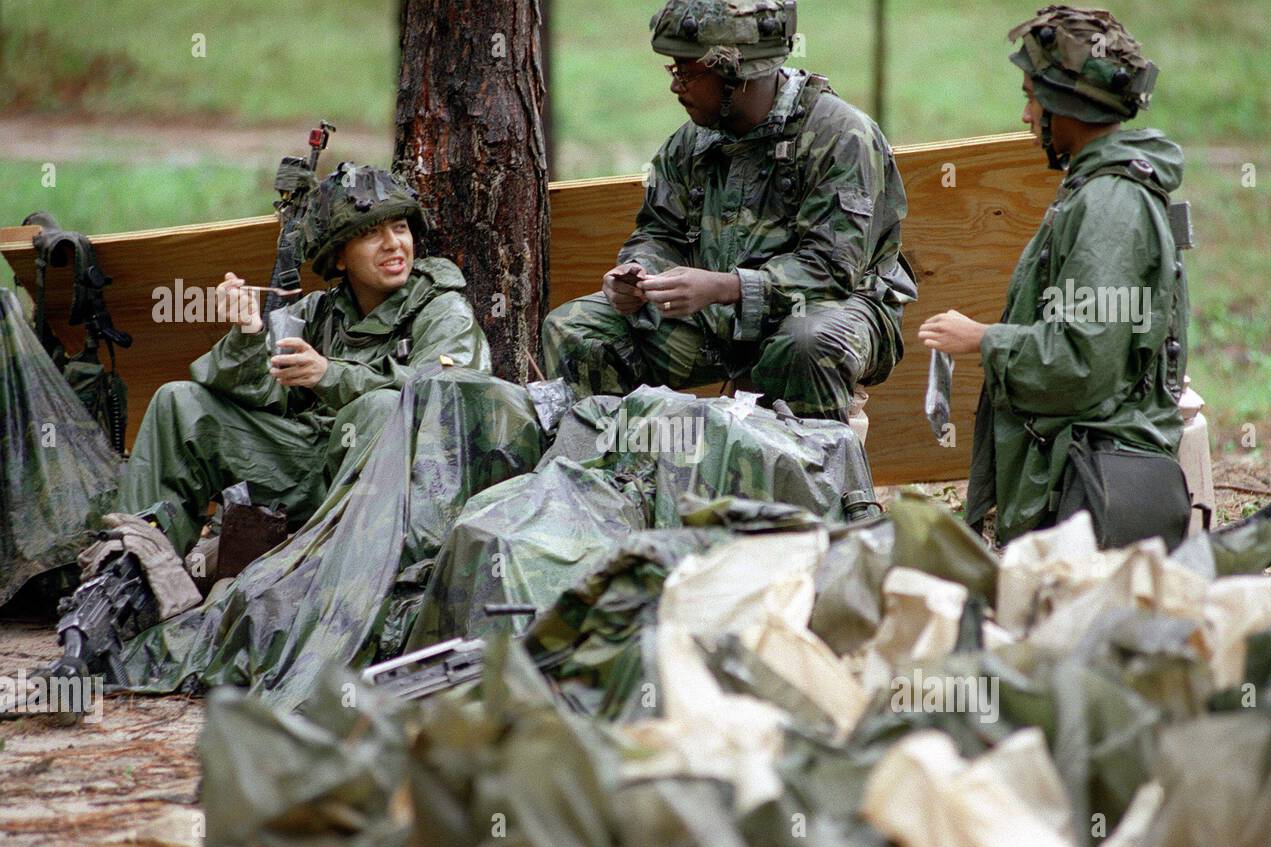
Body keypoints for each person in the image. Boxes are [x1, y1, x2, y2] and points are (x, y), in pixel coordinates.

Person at [543, 0, 914, 423]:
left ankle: (811, 482)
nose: (676, 86)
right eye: (673, 71)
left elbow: (831, 271)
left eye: (687, 72)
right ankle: (613, 472)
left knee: (807, 343)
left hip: (830, 311)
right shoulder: (691, 143)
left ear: (738, 75)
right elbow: (658, 232)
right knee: (577, 328)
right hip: (717, 320)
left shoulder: (839, 135)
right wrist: (639, 275)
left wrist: (725, 287)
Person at [920, 5, 1192, 547]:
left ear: (1068, 106)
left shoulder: (1110, 207)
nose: (1027, 116)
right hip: (1076, 478)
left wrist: (982, 340)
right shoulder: (1098, 193)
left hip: (1087, 491)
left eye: (1032, 96)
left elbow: (1084, 363)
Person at [117, 164, 492, 555]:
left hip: (394, 494)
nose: (394, 244)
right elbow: (266, 394)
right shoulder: (319, 314)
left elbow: (447, 396)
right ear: (340, 257)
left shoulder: (444, 310)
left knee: (380, 406)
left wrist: (330, 375)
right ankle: (136, 567)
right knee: (178, 402)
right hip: (311, 468)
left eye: (400, 228)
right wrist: (248, 333)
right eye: (371, 233)